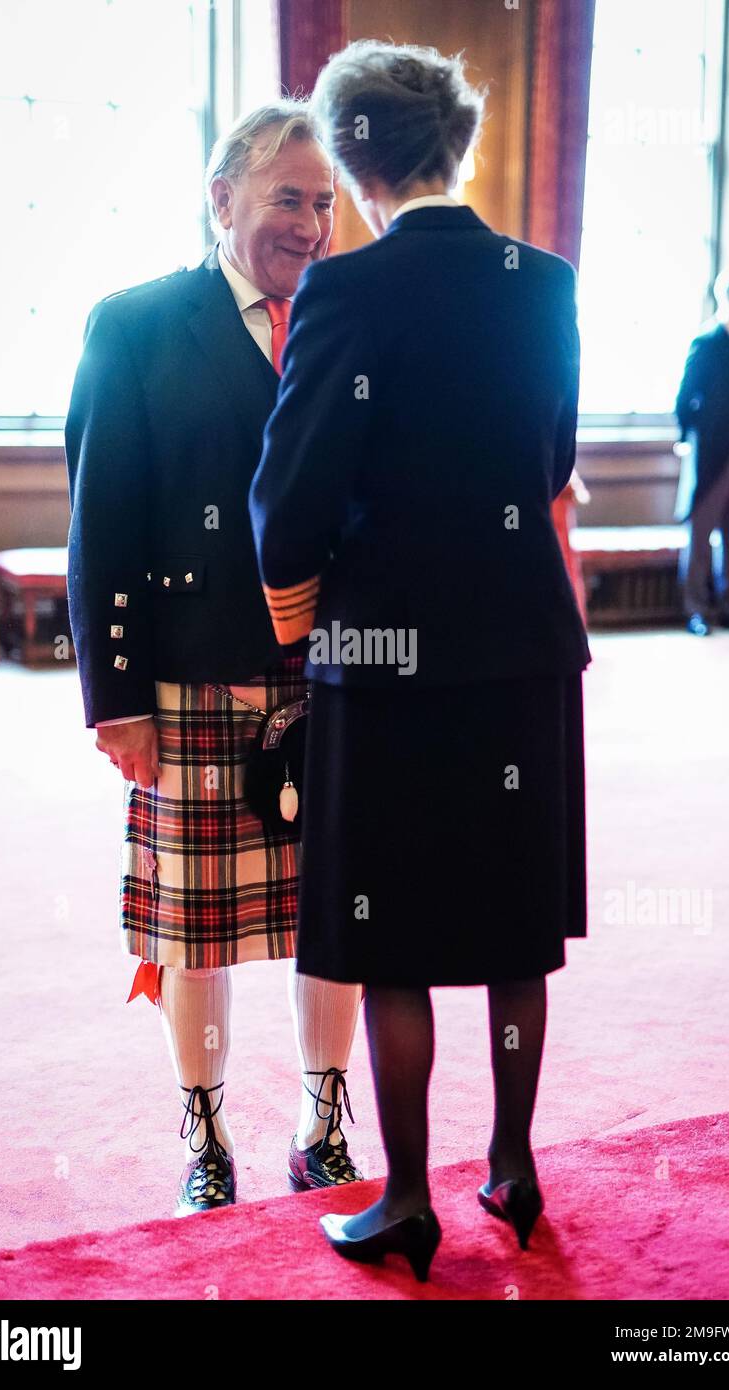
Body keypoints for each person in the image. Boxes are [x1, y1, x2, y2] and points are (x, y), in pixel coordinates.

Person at [250, 40, 591, 1281]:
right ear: (460, 144)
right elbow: (547, 462)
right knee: (512, 931)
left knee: (386, 936)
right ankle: (510, 1163)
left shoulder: (346, 292)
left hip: (383, 662)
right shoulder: (539, 279)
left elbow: (289, 503)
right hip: (519, 649)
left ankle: (402, 1196)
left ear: (353, 157)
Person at [65, 102, 363, 1217]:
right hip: (194, 674)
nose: (310, 223)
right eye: (287, 197)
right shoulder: (136, 324)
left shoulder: (343, 320)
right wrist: (117, 697)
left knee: (337, 914)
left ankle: (323, 1116)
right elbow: (103, 521)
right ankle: (204, 1131)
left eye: (325, 201)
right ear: (221, 198)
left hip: (334, 675)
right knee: (196, 930)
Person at [675, 266, 729, 637]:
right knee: (701, 532)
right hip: (713, 453)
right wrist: (695, 436)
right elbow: (686, 396)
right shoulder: (708, 341)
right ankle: (696, 608)